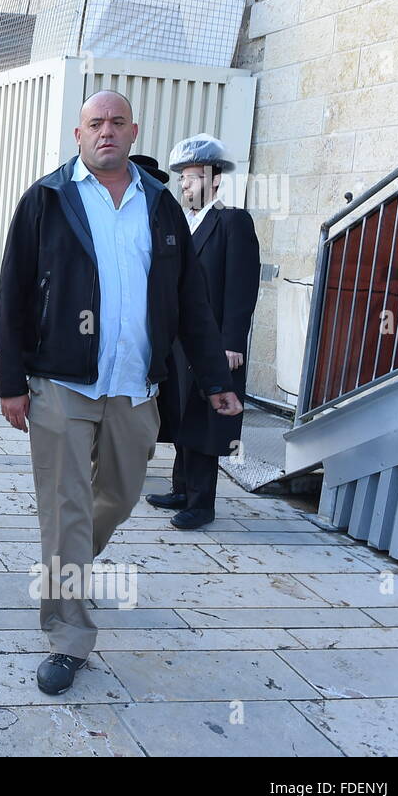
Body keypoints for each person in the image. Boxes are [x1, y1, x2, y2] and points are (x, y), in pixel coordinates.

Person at [0, 90, 241, 697]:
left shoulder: (159, 205)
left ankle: (62, 566)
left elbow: (191, 304)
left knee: (121, 494)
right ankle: (69, 634)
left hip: (136, 387)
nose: (105, 131)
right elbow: (12, 293)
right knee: (67, 508)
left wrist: (215, 379)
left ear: (135, 131)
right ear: (78, 134)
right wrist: (10, 384)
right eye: (94, 123)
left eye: (116, 123)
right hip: (60, 384)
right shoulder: (47, 200)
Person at [147, 134, 260, 530]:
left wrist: (231, 342)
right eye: (181, 179)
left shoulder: (232, 221)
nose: (184, 186)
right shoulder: (184, 222)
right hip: (181, 343)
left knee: (206, 421)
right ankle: (181, 488)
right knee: (181, 414)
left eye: (192, 178)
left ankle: (202, 503)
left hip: (214, 344)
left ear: (214, 180)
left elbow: (242, 287)